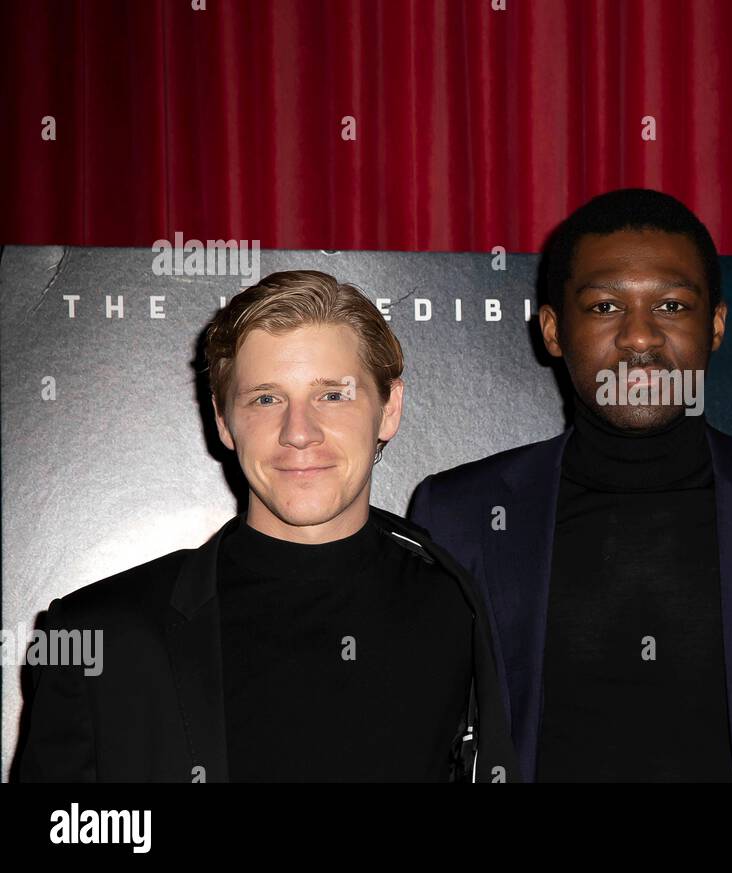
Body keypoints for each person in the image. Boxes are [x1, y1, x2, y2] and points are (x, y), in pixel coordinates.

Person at [410, 189, 732, 782]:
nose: (640, 338)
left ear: (715, 326)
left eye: (670, 305)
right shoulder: (460, 512)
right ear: (554, 331)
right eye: (605, 306)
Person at [17, 270, 514, 782]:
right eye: (266, 399)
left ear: (389, 410)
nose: (299, 432)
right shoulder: (102, 631)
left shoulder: (460, 610)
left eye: (333, 395)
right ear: (224, 421)